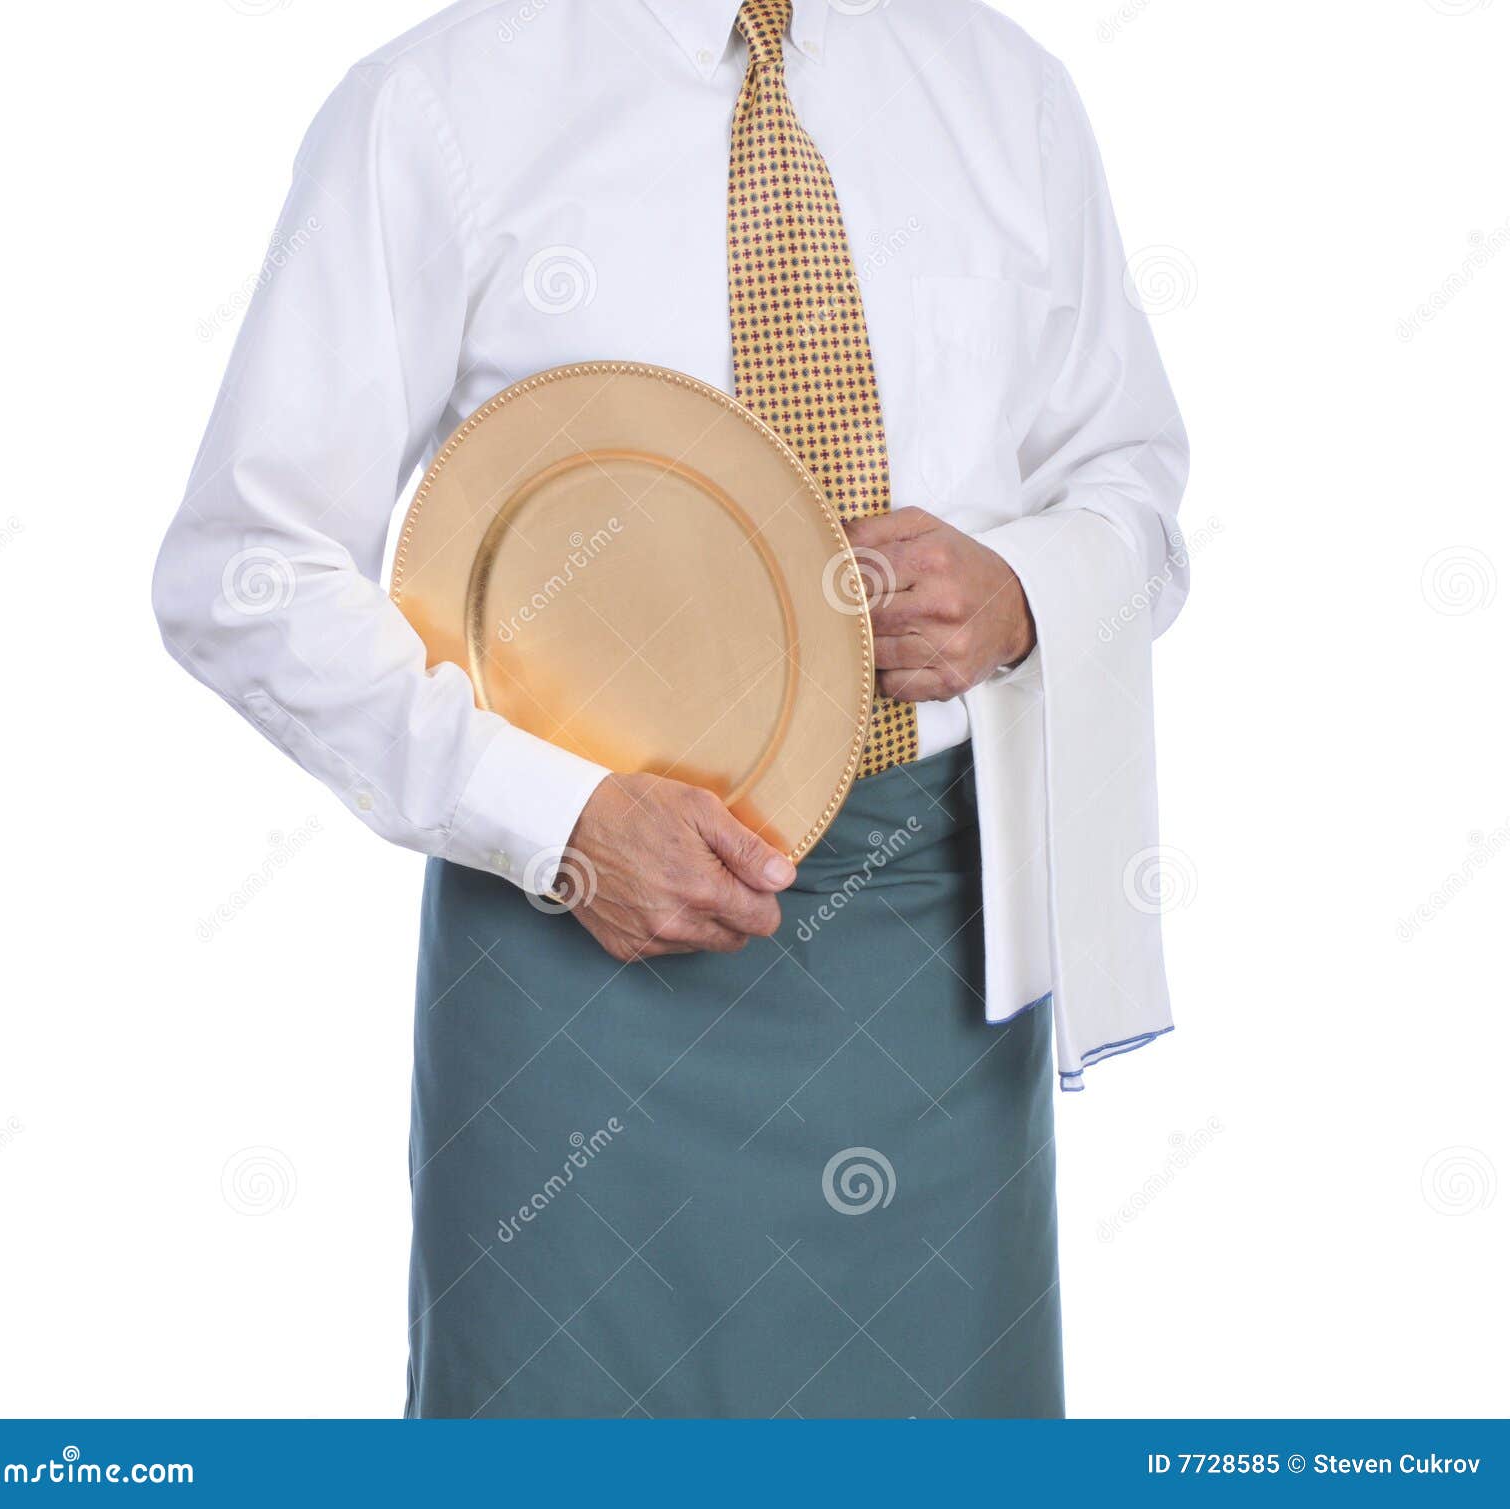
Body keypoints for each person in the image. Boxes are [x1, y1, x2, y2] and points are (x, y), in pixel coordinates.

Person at [153, 0, 1188, 1418]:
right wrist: (557, 815)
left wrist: (1018, 590)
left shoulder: (1011, 92)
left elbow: (1131, 483)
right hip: (578, 966)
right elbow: (242, 567)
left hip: (928, 967)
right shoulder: (436, 104)